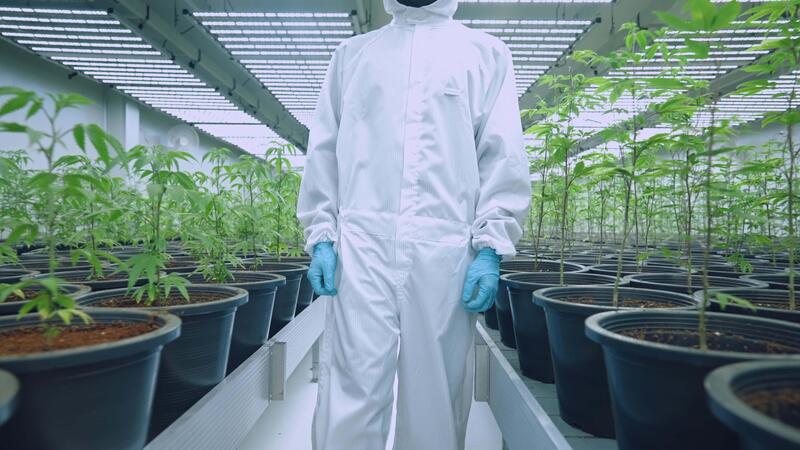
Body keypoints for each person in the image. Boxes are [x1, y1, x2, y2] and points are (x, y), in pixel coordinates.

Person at [296, 0, 531, 448]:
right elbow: (323, 151)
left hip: (446, 249)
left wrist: (490, 247)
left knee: (436, 396)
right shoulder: (352, 56)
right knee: (351, 390)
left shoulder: (486, 54)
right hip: (361, 247)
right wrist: (321, 234)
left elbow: (503, 155)